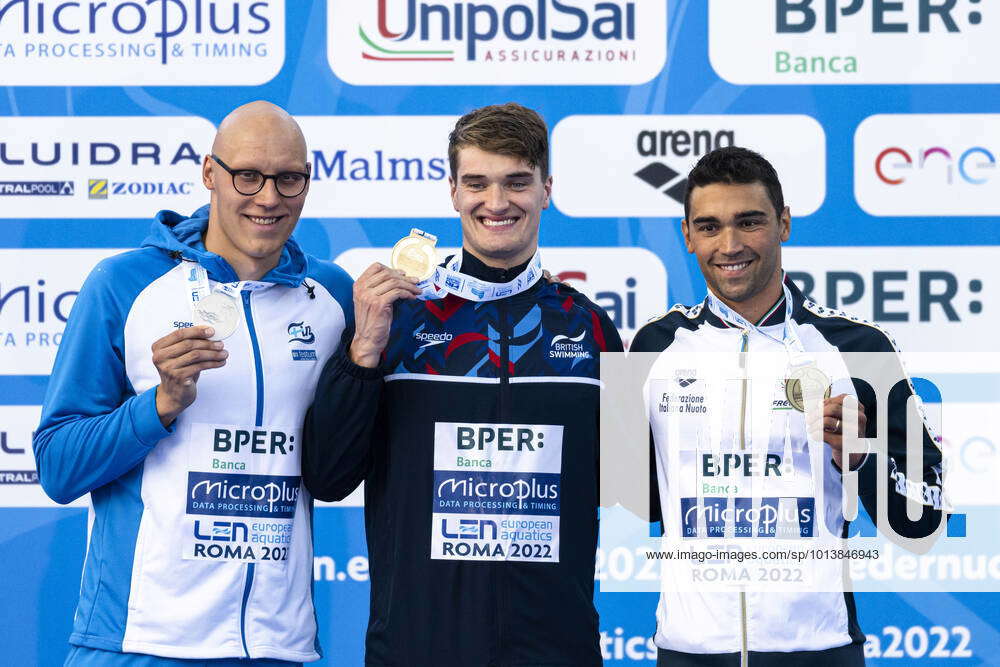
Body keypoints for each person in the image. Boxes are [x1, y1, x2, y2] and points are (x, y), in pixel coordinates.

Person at [302, 102, 623, 666]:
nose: (496, 203)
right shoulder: (397, 320)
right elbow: (327, 477)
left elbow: (634, 485)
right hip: (416, 648)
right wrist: (362, 356)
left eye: (516, 183)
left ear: (547, 189)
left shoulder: (592, 327)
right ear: (452, 191)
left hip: (554, 650)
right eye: (476, 183)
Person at [32, 101, 353, 666]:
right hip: (140, 642)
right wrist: (159, 405)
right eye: (248, 175)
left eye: (289, 179)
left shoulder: (331, 297)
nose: (269, 197)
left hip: (274, 647)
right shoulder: (124, 285)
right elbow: (58, 465)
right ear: (210, 174)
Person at [631, 146, 945, 666]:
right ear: (687, 236)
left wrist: (860, 458)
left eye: (749, 222)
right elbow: (638, 498)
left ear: (784, 224)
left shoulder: (858, 348)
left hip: (818, 650)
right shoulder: (653, 346)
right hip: (688, 653)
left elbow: (923, 522)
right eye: (708, 227)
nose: (729, 245)